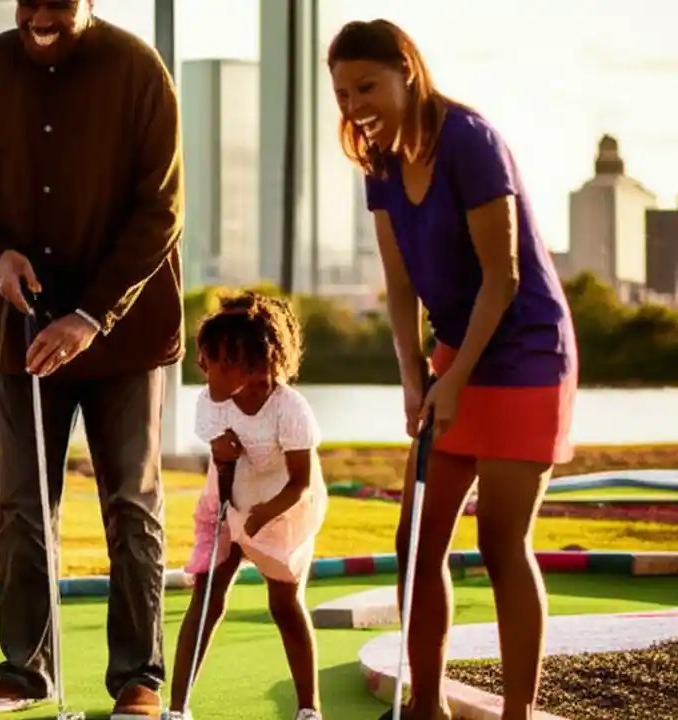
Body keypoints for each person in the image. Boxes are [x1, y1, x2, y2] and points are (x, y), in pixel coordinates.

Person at [0, 0, 184, 716]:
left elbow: (161, 209)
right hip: (23, 329)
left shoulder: (139, 69)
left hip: (125, 332)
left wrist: (90, 315)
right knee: (20, 505)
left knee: (132, 505)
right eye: (30, 1)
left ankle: (140, 679)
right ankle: (23, 671)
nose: (43, 15)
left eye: (60, 3)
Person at [328, 19, 579, 720]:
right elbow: (400, 285)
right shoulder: (377, 163)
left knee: (501, 543)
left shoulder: (470, 141)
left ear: (408, 69)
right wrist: (415, 379)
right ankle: (425, 706)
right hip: (452, 357)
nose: (355, 104)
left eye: (368, 86)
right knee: (416, 539)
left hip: (525, 352)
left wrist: (456, 377)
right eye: (343, 92)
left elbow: (502, 279)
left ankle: (516, 715)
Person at [164, 292, 327, 720]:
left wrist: (265, 514)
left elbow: (302, 483)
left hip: (282, 506)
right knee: (207, 595)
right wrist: (221, 455)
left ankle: (310, 707)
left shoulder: (289, 409)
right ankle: (177, 707)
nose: (202, 366)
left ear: (253, 366)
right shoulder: (209, 402)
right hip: (229, 496)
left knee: (284, 603)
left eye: (214, 360)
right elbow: (221, 459)